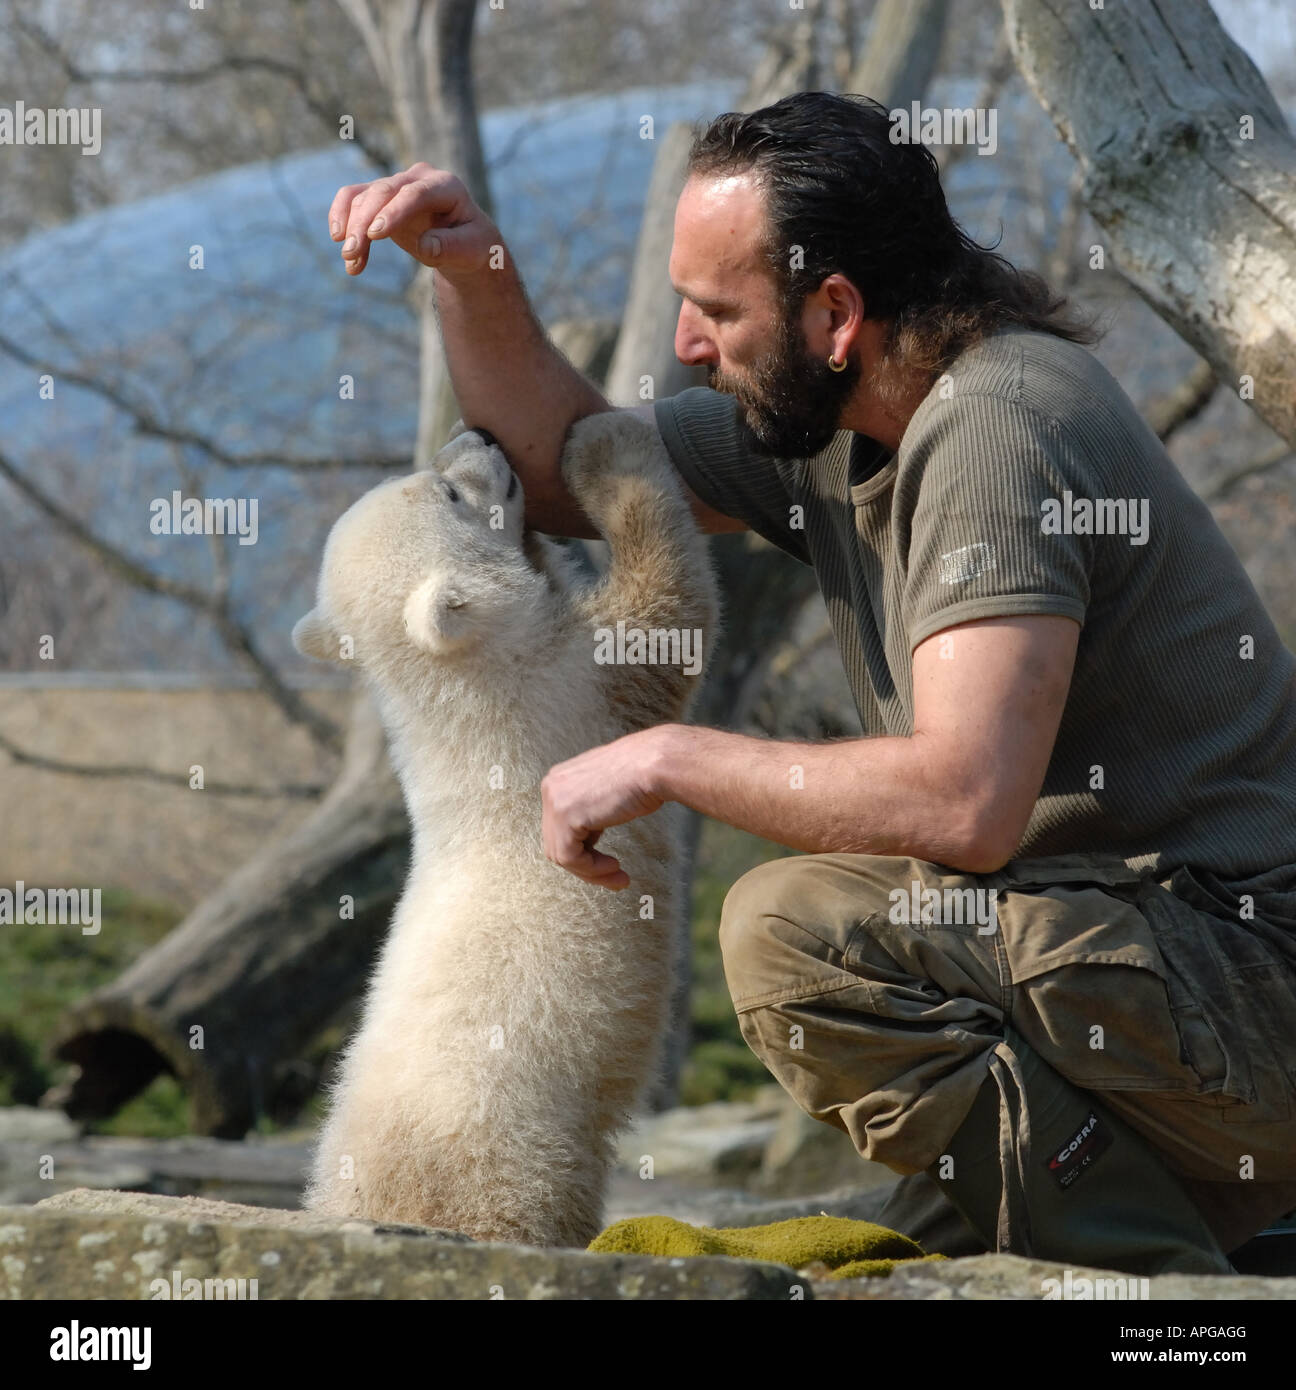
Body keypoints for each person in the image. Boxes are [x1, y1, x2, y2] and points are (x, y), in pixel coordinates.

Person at [328, 91, 1296, 1274]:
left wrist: (670, 755)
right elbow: (570, 465)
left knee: (794, 932)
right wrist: (472, 274)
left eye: (714, 311)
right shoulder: (844, 422)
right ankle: (1168, 1228)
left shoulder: (996, 427)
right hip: (1137, 995)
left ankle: (1180, 1301)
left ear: (834, 313)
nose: (688, 345)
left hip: (1249, 991)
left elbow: (966, 804)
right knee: (848, 1261)